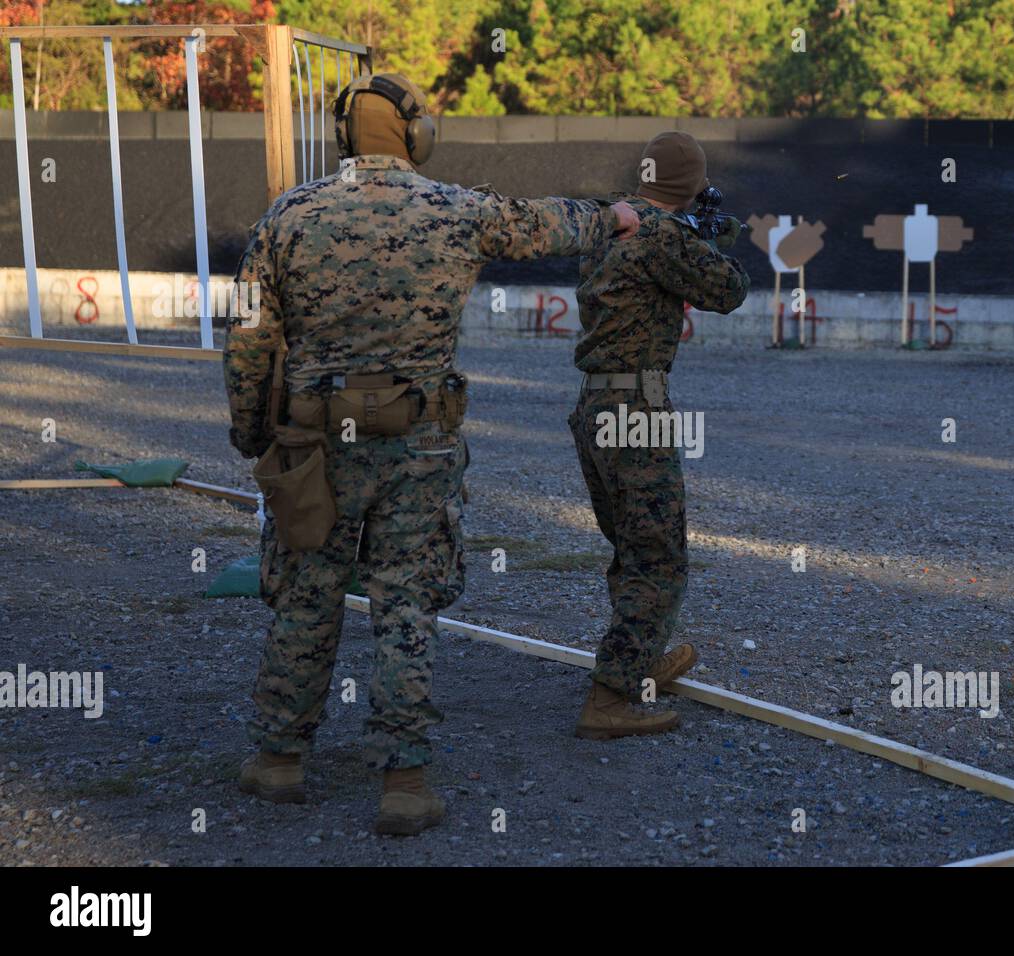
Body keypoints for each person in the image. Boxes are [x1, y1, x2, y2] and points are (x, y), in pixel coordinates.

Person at [223, 72, 638, 834]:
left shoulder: (287, 215)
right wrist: (617, 215)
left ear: (346, 135)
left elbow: (248, 337)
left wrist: (253, 433)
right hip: (420, 443)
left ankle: (279, 759)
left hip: (315, 444)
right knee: (406, 605)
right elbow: (548, 224)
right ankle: (404, 782)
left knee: (305, 596)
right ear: (415, 135)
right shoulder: (454, 209)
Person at [568, 131, 750, 740]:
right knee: (659, 557)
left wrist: (696, 231)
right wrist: (712, 236)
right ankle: (611, 698)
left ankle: (638, 660)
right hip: (634, 411)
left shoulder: (612, 223)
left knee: (632, 548)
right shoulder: (665, 235)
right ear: (689, 184)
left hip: (595, 404)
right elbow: (728, 291)